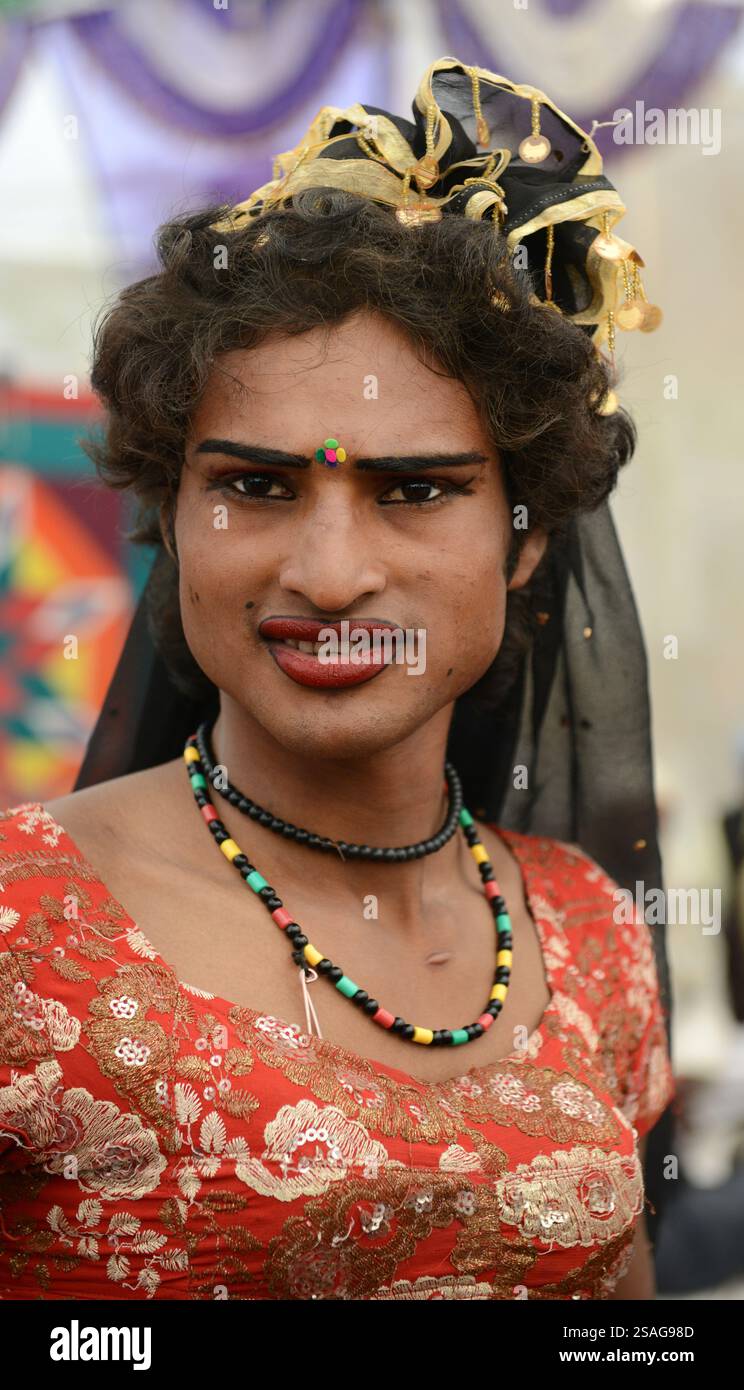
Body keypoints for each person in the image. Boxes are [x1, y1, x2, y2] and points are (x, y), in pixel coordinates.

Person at [0, 57, 674, 1300]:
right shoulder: (21, 930)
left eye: (415, 491)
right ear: (172, 513)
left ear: (526, 537)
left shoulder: (590, 938)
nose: (327, 570)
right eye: (254, 485)